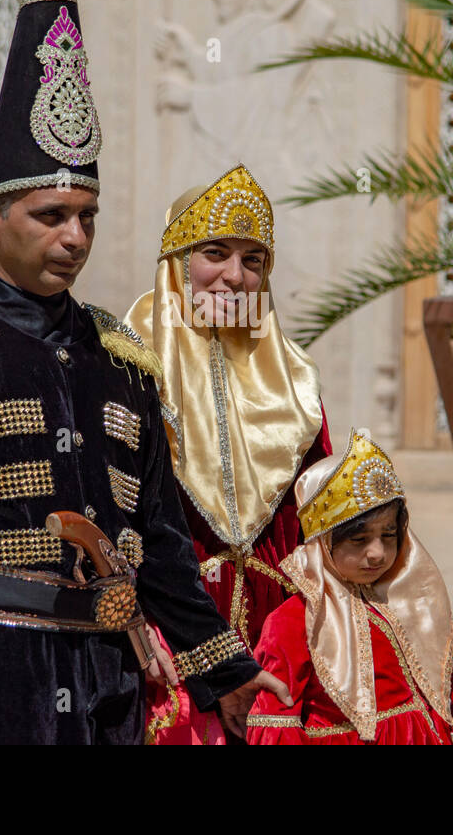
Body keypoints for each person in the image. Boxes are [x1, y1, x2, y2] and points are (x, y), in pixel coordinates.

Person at [0, 0, 288, 745]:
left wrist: (221, 667)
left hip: (106, 674)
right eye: (50, 216)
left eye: (87, 215)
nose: (74, 237)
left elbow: (155, 537)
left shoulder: (120, 359)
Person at [124, 164, 331, 744]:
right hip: (168, 634)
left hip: (278, 638)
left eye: (254, 261)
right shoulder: (125, 365)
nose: (234, 278)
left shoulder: (296, 382)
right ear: (176, 261)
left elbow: (320, 528)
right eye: (215, 253)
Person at [245, 429, 453, 745]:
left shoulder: (419, 604)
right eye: (359, 539)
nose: (377, 553)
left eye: (389, 535)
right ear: (324, 543)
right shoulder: (294, 621)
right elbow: (275, 722)